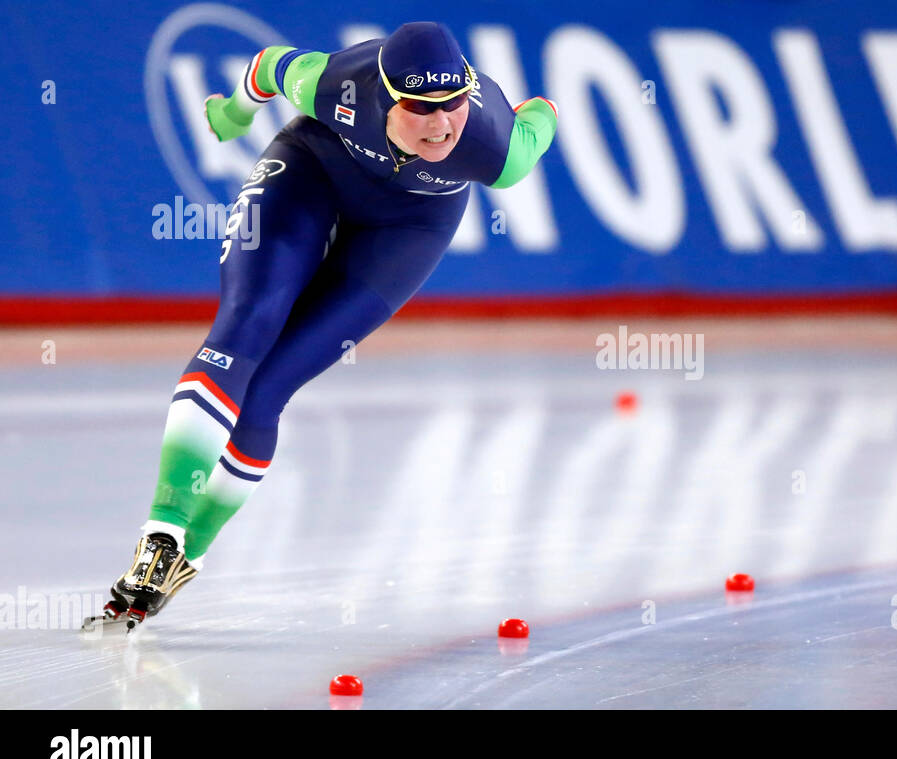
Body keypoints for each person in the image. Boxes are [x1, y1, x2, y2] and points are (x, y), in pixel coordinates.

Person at [87, 22, 557, 631]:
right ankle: (160, 532)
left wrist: (534, 111)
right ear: (386, 97)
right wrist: (231, 116)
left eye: (453, 104)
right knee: (247, 324)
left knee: (268, 389)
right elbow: (265, 68)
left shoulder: (497, 150)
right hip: (311, 169)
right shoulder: (339, 83)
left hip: (409, 226)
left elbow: (542, 112)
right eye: (419, 108)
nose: (441, 124)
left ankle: (186, 556)